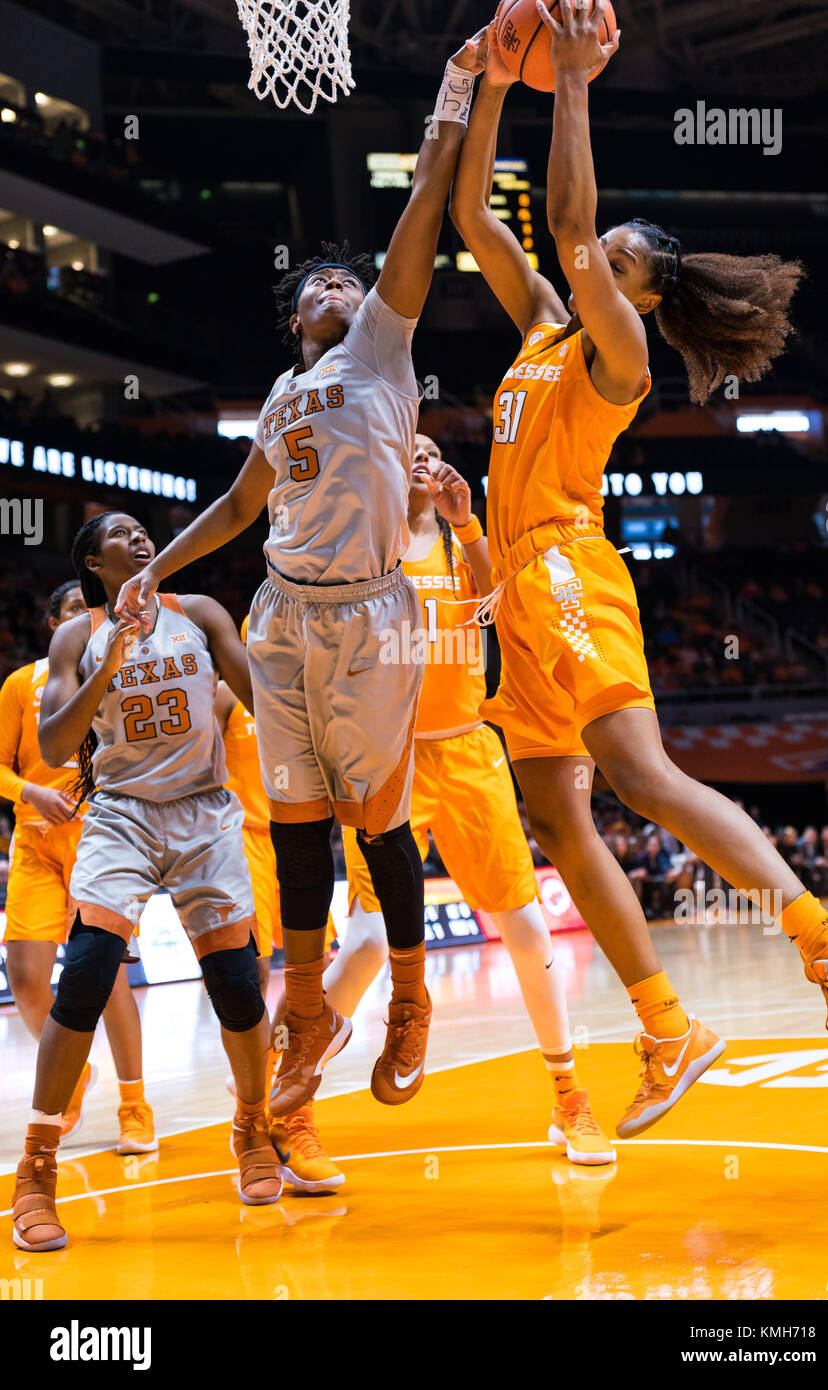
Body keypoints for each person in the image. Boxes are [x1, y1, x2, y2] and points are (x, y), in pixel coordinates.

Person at [449, 0, 828, 1138]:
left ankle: (821, 940)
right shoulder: (541, 326)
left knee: (637, 775)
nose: (588, 260)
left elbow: (569, 224)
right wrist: (488, 80)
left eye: (613, 261)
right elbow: (472, 212)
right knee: (553, 806)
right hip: (515, 601)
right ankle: (664, 1027)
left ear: (634, 292)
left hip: (566, 572)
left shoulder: (618, 353)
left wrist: (572, 78)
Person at [115, 37, 488, 1115]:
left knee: (377, 823)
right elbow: (236, 507)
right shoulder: (281, 397)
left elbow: (425, 191)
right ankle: (312, 1011)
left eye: (348, 276)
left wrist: (460, 80)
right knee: (293, 825)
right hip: (279, 614)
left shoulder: (378, 346)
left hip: (373, 613)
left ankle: (409, 998)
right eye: (317, 281)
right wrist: (153, 578)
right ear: (293, 318)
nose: (337, 281)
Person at [328, 434, 615, 1163]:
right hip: (388, 759)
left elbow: (505, 612)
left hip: (466, 749)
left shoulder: (461, 547)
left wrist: (469, 524)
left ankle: (569, 1096)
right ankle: (286, 1084)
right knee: (363, 942)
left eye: (430, 451)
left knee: (525, 929)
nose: (421, 458)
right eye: (408, 452)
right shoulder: (369, 543)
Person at [11, 513, 280, 1254]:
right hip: (122, 812)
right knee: (88, 974)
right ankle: (37, 1167)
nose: (137, 538)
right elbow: (57, 744)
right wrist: (110, 657)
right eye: (119, 534)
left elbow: (262, 701)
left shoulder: (199, 614)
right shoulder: (77, 636)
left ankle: (252, 1128)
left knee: (235, 979)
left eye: (141, 530)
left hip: (205, 809)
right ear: (94, 561)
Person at [0, 579, 153, 1151]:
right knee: (26, 980)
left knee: (107, 976)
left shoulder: (128, 667)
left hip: (101, 839)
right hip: (37, 842)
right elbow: (2, 767)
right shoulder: (21, 683)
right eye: (72, 610)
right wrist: (30, 795)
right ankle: (75, 1071)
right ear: (53, 624)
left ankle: (135, 1104)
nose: (84, 618)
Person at [216, 617, 343, 1193]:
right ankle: (269, 1124)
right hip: (240, 842)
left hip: (302, 844)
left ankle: (291, 1116)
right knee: (253, 985)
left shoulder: (313, 685)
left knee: (307, 991)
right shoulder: (223, 690)